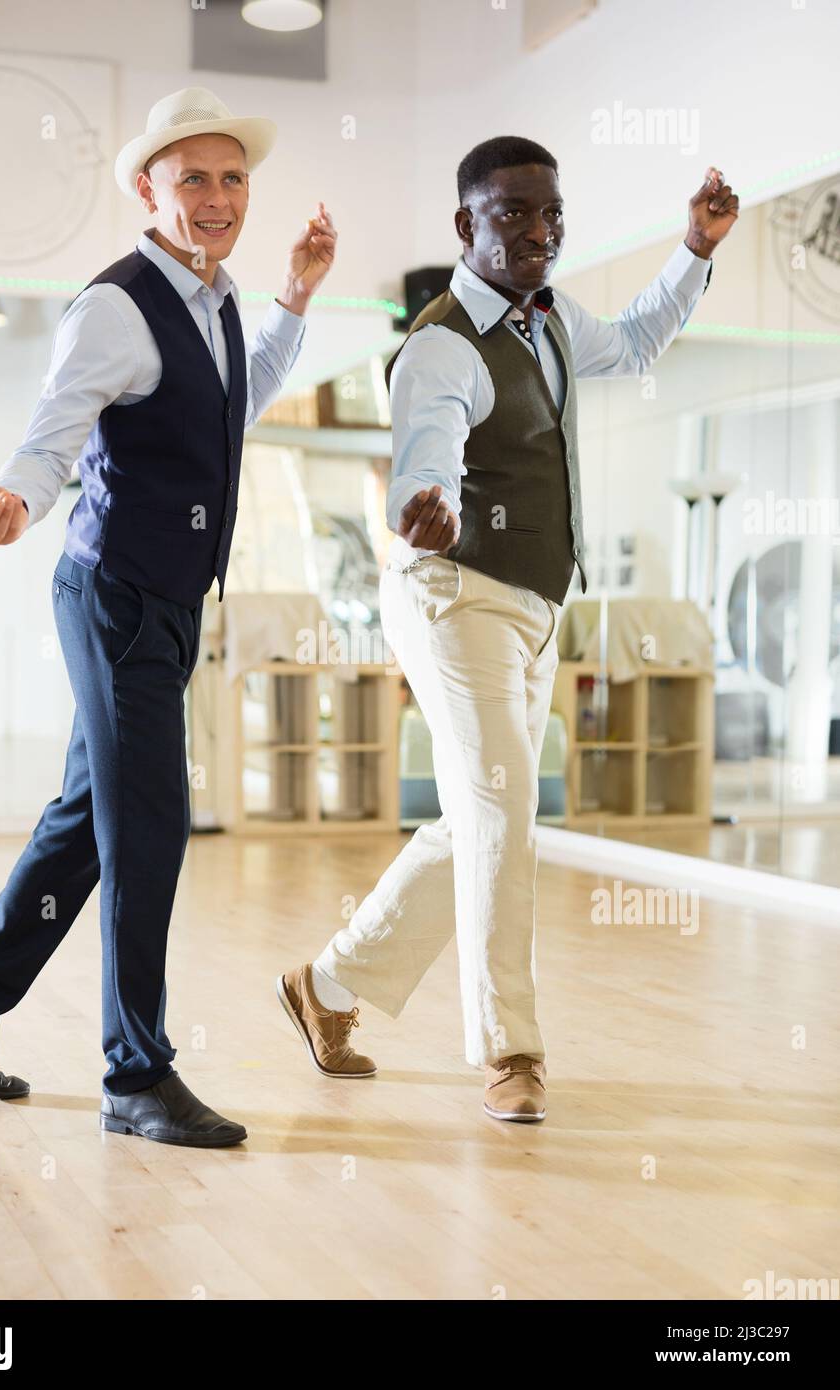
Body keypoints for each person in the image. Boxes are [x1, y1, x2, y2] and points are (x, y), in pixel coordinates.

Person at [0, 86, 336, 1148]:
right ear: (149, 189)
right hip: (113, 596)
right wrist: (16, 494)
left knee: (86, 817)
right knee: (147, 825)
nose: (219, 195)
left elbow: (241, 395)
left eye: (233, 177)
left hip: (168, 600)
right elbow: (55, 428)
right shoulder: (116, 303)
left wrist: (292, 293)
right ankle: (134, 1074)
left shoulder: (219, 298)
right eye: (194, 177)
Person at [278, 137, 738, 1123]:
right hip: (456, 598)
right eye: (514, 215)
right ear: (464, 227)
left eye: (550, 213)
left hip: (537, 605)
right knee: (500, 819)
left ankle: (326, 985)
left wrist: (693, 247)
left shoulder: (555, 317)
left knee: (479, 817)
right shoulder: (439, 344)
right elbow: (421, 460)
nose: (539, 233)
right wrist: (424, 503)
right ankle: (510, 1050)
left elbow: (640, 340)